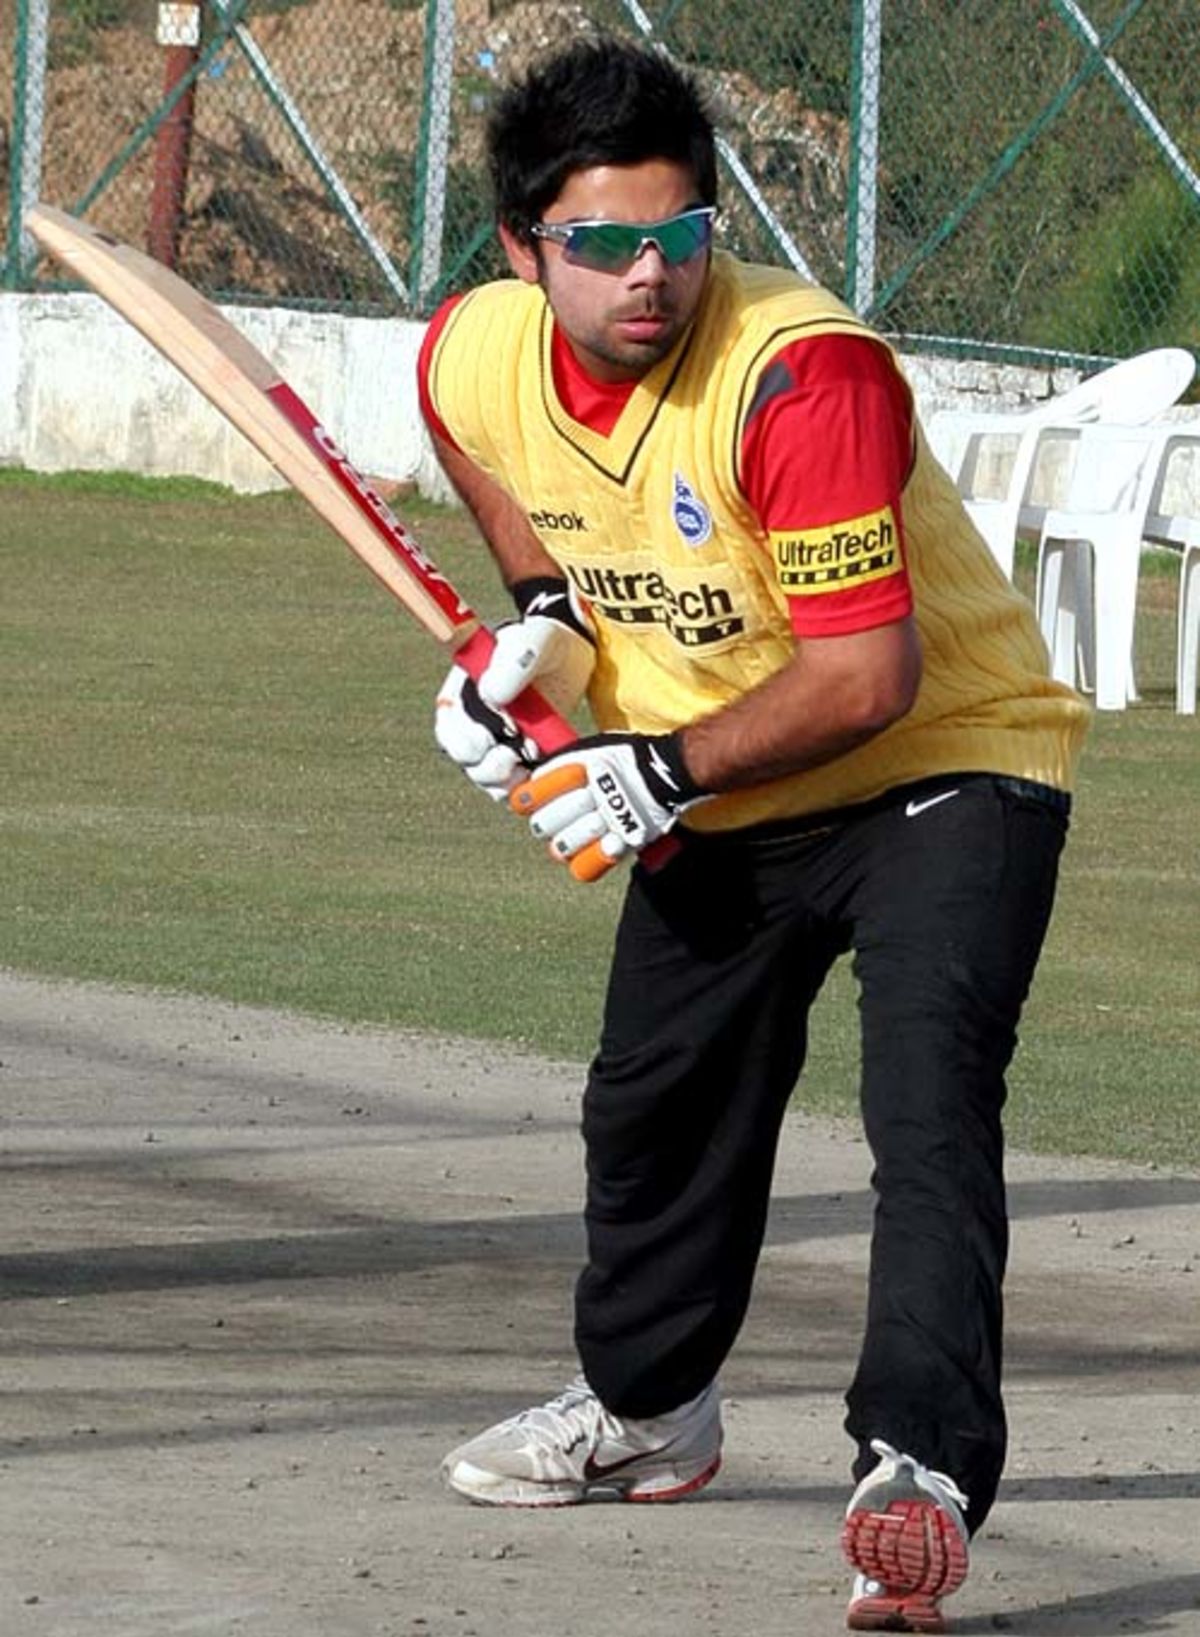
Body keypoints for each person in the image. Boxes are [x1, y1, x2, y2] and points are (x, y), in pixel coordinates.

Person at [416, 35, 1088, 1634]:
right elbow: (482, 461)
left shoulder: (803, 372)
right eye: (601, 246)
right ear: (523, 253)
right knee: (652, 1107)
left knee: (927, 1101)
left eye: (682, 233)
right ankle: (649, 1408)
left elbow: (868, 673)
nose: (650, 277)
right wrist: (537, 641)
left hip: (947, 758)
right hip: (728, 768)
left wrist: (650, 774)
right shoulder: (473, 352)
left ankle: (912, 1473)